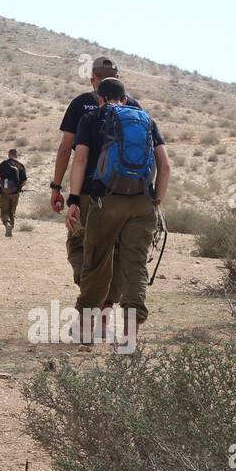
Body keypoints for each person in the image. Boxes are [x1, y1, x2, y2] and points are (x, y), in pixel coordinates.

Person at [65, 78, 170, 339]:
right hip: (142, 203)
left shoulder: (91, 118)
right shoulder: (146, 120)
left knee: (96, 262)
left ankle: (86, 332)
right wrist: (156, 201)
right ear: (125, 98)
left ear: (99, 97)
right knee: (135, 266)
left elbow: (80, 158)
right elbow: (165, 166)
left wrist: (74, 199)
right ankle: (129, 339)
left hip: (106, 201)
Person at [50, 56, 144, 285]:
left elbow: (66, 150)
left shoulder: (81, 104)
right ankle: (108, 300)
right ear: (118, 78)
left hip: (87, 190)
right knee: (116, 247)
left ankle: (89, 291)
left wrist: (57, 187)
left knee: (79, 242)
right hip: (126, 191)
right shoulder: (133, 106)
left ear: (93, 78)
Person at [0, 149, 28, 237]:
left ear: (9, 155)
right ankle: (11, 228)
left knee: (4, 212)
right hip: (15, 193)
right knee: (12, 211)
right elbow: (24, 181)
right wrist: (19, 188)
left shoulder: (3, 164)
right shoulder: (21, 166)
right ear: (16, 155)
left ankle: (7, 225)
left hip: (4, 192)